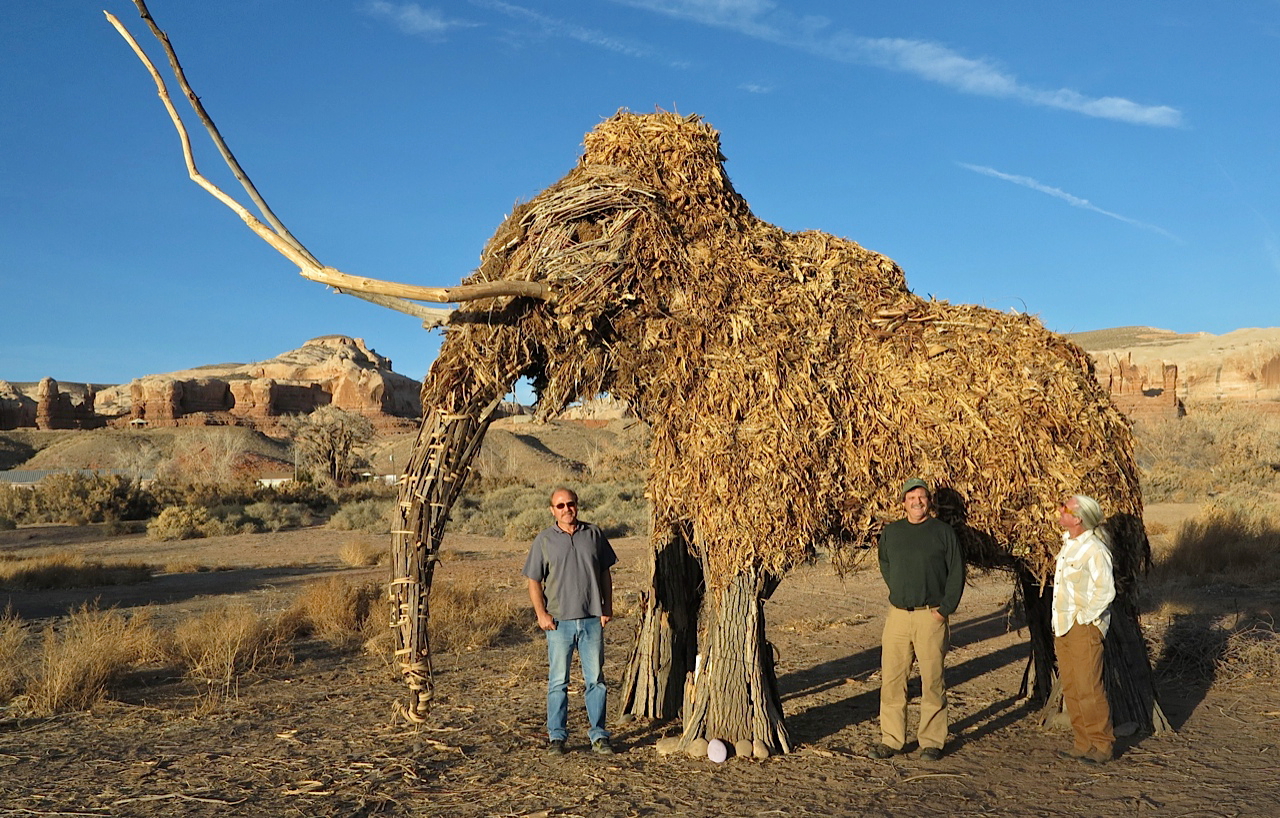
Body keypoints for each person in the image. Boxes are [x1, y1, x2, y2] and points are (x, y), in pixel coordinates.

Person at [869, 477, 965, 762]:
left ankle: (932, 740)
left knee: (932, 681)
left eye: (921, 497)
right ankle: (892, 739)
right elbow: (885, 563)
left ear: (929, 501)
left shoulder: (943, 533)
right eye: (911, 498)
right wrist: (900, 590)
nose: (917, 502)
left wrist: (944, 609)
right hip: (897, 617)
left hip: (930, 617)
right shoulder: (892, 533)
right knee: (892, 680)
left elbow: (957, 572)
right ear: (903, 503)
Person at [523, 487, 618, 756]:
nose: (567, 509)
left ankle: (599, 735)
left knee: (596, 680)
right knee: (558, 682)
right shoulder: (544, 540)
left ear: (577, 505)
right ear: (552, 510)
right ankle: (557, 737)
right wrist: (541, 614)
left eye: (570, 504)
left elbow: (604, 574)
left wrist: (606, 607)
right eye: (560, 505)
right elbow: (533, 580)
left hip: (591, 620)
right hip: (559, 623)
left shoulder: (594, 534)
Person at [1052, 494, 1116, 765]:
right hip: (1063, 625)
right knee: (1072, 686)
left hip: (1082, 626)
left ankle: (1102, 745)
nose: (1059, 510)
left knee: (1089, 686)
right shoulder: (1068, 545)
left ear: (1077, 519)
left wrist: (1086, 619)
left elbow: (1106, 590)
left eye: (1064, 508)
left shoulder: (1095, 549)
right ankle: (1082, 742)